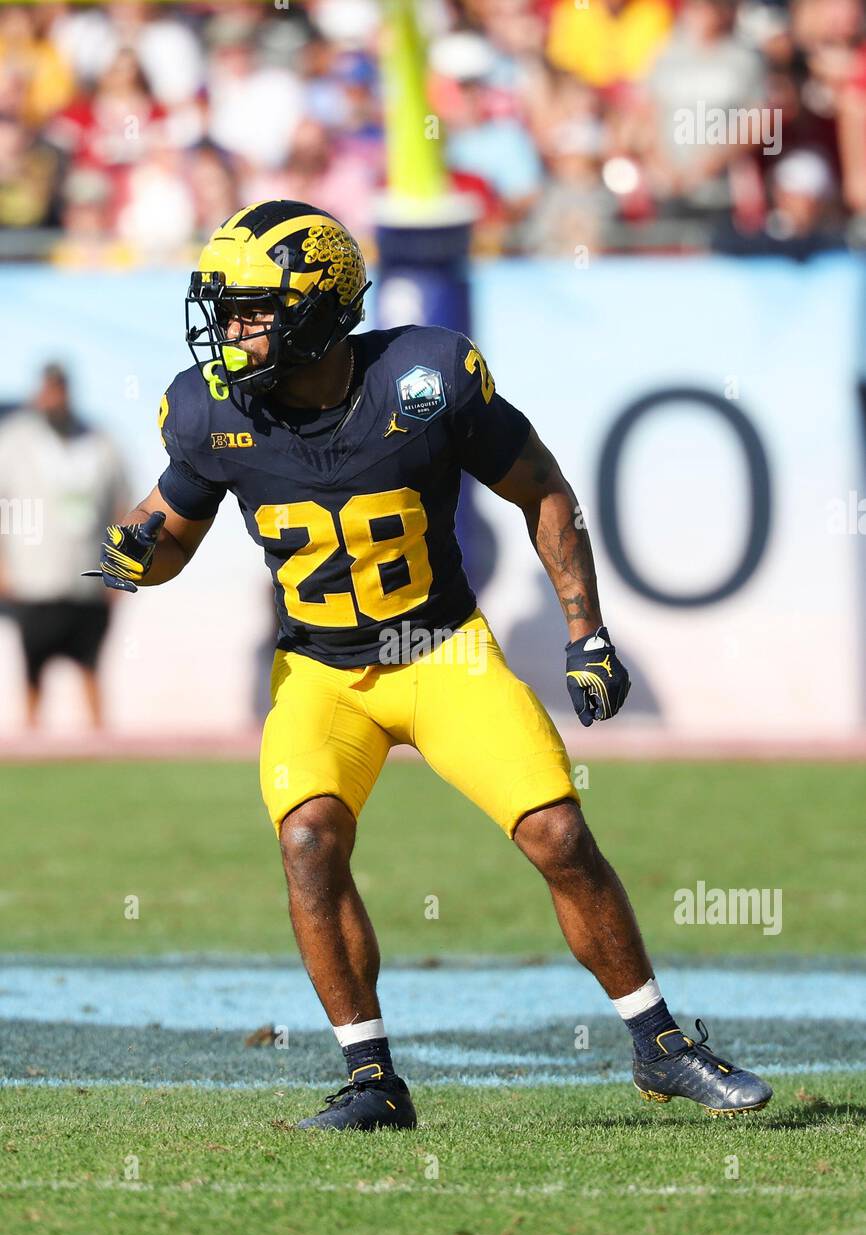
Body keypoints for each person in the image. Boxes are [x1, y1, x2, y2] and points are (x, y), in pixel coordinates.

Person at [86, 200, 772, 1129]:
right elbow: (164, 536)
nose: (232, 330)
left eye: (252, 308)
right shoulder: (211, 411)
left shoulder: (426, 377)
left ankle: (659, 1046)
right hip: (320, 673)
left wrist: (587, 632)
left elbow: (546, 492)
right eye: (227, 307)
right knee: (308, 843)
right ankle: (373, 1081)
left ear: (321, 308)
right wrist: (134, 555)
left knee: (560, 837)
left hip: (443, 652)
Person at [0, 364, 127, 727]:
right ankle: (31, 752)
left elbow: (122, 509)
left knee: (90, 668)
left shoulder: (101, 441)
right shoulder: (14, 441)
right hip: (34, 581)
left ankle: (102, 751)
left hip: (87, 580)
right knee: (32, 672)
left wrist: (118, 570)